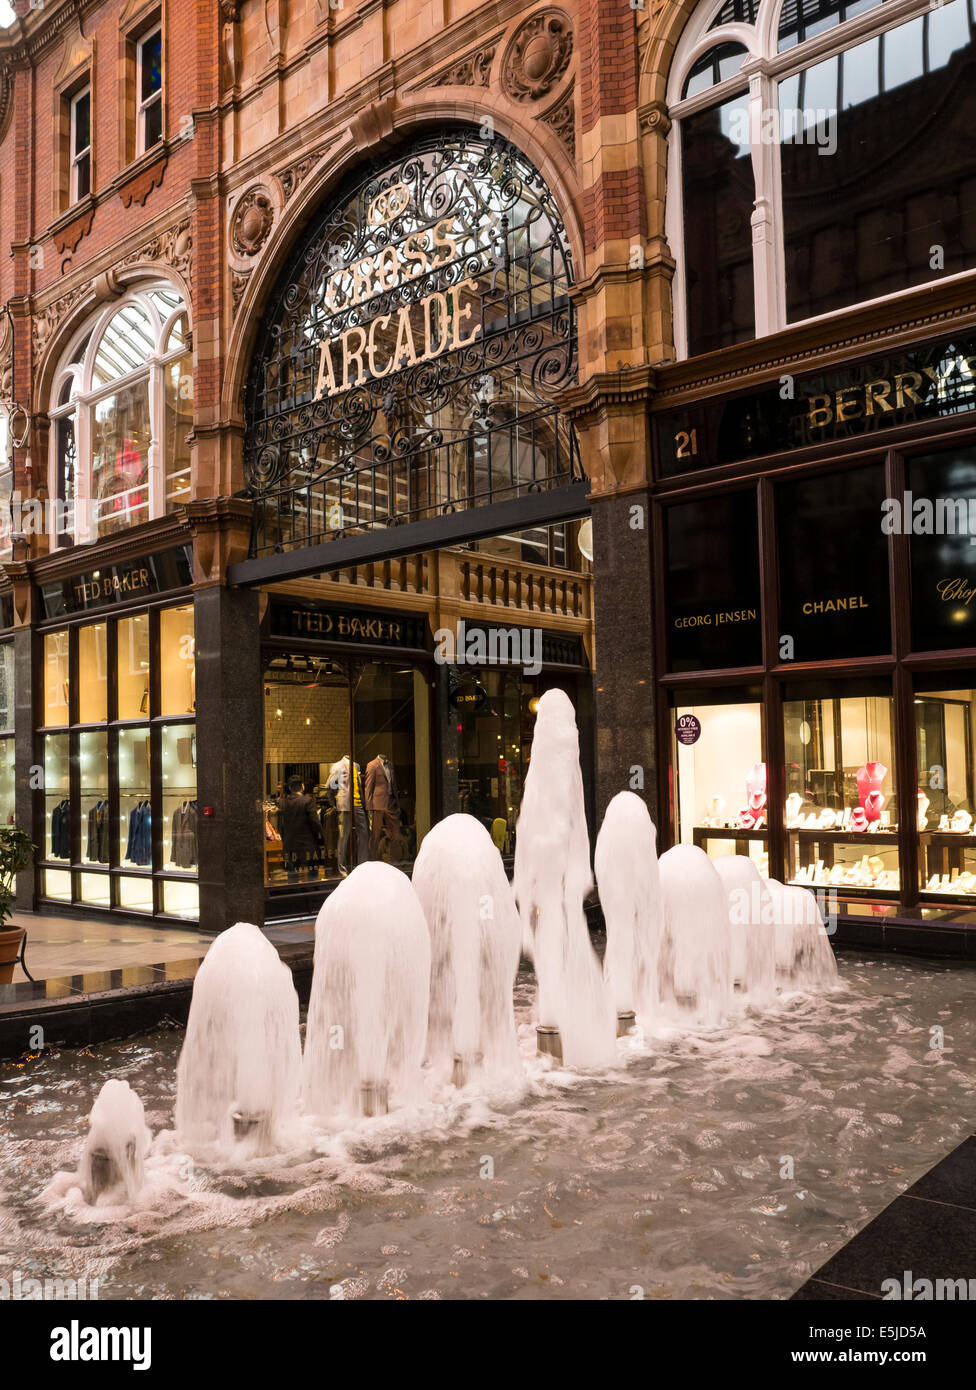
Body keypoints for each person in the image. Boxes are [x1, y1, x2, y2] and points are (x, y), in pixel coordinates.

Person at [277, 776, 323, 881]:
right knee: (312, 877)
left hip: (290, 845)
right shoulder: (308, 801)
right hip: (307, 844)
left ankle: (294, 896)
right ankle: (311, 897)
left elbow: (281, 826)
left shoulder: (283, 803)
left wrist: (285, 839)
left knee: (292, 877)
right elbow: (315, 823)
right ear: (302, 786)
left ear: (289, 787)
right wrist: (320, 837)